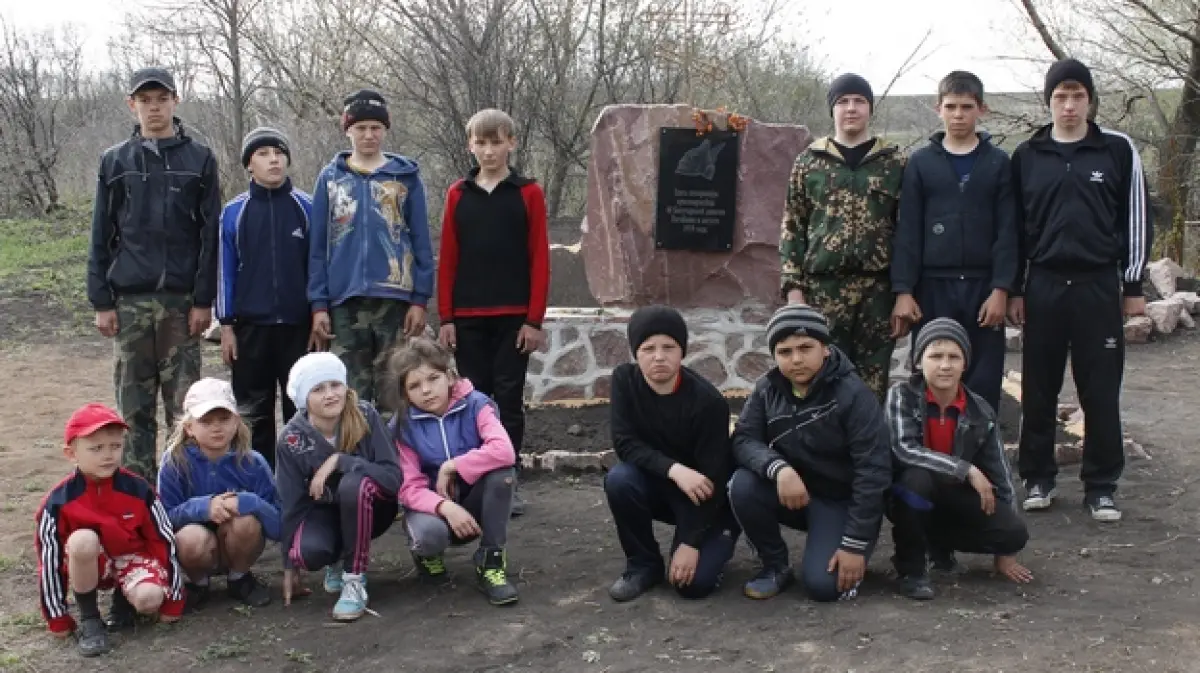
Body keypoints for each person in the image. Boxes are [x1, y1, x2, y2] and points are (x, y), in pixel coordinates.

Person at [1008, 58, 1151, 522]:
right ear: (1048, 101)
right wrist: (1014, 288)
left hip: (1097, 284)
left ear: (1090, 100)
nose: (1068, 105)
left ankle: (1101, 485)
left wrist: (1132, 284)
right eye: (1059, 96)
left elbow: (1135, 219)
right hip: (1045, 283)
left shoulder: (1116, 150)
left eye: (1077, 96)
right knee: (1039, 385)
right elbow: (1014, 230)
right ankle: (1038, 477)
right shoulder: (1028, 156)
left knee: (1100, 387)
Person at [87, 66, 220, 481]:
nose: (154, 107)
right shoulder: (116, 161)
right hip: (130, 304)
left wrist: (203, 300)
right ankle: (138, 496)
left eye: (161, 99)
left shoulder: (199, 158)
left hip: (181, 305)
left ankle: (182, 489)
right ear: (133, 105)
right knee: (134, 409)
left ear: (175, 101)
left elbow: (209, 235)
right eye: (145, 100)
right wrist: (102, 301)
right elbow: (100, 235)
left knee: (185, 409)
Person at [728, 304, 891, 602]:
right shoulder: (767, 388)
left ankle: (841, 546)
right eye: (785, 351)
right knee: (742, 484)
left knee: (824, 587)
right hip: (794, 492)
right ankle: (774, 566)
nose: (797, 359)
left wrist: (854, 545)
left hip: (839, 500)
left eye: (806, 347)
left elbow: (874, 470)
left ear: (825, 349)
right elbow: (743, 440)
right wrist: (779, 469)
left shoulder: (854, 394)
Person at [437, 108, 550, 517]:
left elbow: (539, 258)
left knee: (508, 399)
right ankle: (473, 479)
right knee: (472, 399)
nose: (488, 151)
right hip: (467, 317)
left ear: (511, 143)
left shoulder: (528, 193)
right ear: (470, 145)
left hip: (514, 316)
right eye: (480, 143)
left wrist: (534, 320)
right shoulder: (457, 194)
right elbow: (448, 257)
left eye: (496, 142)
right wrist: (446, 317)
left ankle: (507, 478)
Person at [890, 71, 1018, 413]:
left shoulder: (998, 163)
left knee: (984, 376)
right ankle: (934, 455)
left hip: (983, 287)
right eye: (951, 106)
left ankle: (980, 456)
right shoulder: (920, 163)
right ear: (938, 109)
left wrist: (1002, 288)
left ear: (982, 110)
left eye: (966, 106)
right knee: (935, 371)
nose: (958, 114)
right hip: (934, 287)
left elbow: (1009, 231)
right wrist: (904, 290)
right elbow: (908, 231)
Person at [778, 73, 909, 401]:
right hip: (824, 290)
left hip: (877, 292)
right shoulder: (809, 163)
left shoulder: (893, 163)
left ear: (870, 108)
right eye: (843, 102)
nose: (851, 109)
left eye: (859, 101)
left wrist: (905, 292)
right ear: (832, 110)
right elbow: (793, 226)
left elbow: (907, 232)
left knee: (871, 387)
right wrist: (794, 290)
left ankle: (868, 451)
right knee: (822, 381)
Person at [885, 318, 1032, 600]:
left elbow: (1000, 472)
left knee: (1013, 533)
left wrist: (1006, 553)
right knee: (917, 480)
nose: (945, 365)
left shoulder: (979, 410)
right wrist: (965, 469)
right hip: (907, 492)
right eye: (936, 356)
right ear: (918, 362)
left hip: (953, 494)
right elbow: (903, 449)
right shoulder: (901, 395)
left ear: (965, 364)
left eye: (954, 357)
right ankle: (911, 569)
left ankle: (937, 541)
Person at [603, 306, 739, 603]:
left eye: (669, 347)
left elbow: (714, 479)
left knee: (692, 586)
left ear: (683, 352)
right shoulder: (625, 381)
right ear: (636, 353)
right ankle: (643, 564)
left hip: (707, 499)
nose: (659, 356)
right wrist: (674, 469)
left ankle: (721, 538)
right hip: (664, 485)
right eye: (648, 348)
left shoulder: (708, 403)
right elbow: (625, 443)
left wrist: (691, 542)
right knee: (620, 479)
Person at [309, 89, 434, 404]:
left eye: (375, 128)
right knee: (351, 396)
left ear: (385, 129)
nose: (368, 135)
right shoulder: (330, 179)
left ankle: (396, 454)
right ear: (347, 129)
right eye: (361, 127)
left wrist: (420, 299)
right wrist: (318, 305)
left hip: (394, 301)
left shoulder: (406, 178)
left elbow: (421, 240)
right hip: (344, 301)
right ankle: (355, 454)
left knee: (394, 390)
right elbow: (317, 247)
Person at [35, 403, 185, 657]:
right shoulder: (57, 502)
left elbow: (163, 540)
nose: (108, 455)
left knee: (150, 599)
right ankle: (90, 618)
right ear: (71, 454)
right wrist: (57, 616)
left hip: (132, 559)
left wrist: (173, 598)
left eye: (115, 446)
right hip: (91, 563)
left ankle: (124, 599)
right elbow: (49, 561)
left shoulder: (139, 490)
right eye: (96, 448)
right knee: (83, 540)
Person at [385, 339, 520, 606]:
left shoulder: (476, 404)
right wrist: (446, 507)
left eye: (433, 378)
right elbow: (409, 487)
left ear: (449, 376)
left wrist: (453, 466)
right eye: (414, 385)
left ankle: (491, 560)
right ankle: (427, 555)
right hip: (435, 509)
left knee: (502, 474)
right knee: (428, 536)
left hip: (474, 499)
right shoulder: (403, 426)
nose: (426, 390)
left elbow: (505, 451)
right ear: (404, 394)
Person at [276, 352, 402, 621]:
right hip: (325, 512)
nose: (330, 394)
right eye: (318, 389)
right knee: (305, 553)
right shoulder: (291, 438)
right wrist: (289, 566)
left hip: (372, 507)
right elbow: (291, 502)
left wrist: (341, 460)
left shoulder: (365, 414)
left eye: (335, 385)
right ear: (303, 398)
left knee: (353, 484)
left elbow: (392, 478)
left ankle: (354, 578)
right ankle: (337, 558)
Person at [216, 127, 316, 467]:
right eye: (263, 154)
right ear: (249, 165)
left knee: (300, 410)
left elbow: (318, 267)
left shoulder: (307, 207)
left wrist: (319, 312)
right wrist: (226, 324)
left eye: (279, 152)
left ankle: (297, 482)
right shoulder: (234, 212)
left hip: (297, 326)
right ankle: (256, 480)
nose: (273, 160)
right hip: (250, 328)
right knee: (252, 414)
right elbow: (225, 271)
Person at [157, 378, 280, 609]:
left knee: (247, 522)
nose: (217, 427)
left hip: (238, 544)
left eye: (224, 419)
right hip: (196, 548)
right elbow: (164, 520)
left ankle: (239, 577)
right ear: (189, 427)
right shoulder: (174, 462)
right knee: (190, 538)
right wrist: (205, 507)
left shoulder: (254, 462)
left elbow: (279, 527)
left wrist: (248, 502)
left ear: (237, 421)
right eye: (206, 421)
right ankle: (198, 583)